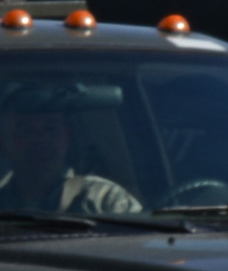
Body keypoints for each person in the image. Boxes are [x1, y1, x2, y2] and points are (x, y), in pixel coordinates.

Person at [0, 86, 142, 217]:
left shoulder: (105, 200)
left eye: (52, 129)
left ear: (66, 138)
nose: (41, 140)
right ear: (3, 144)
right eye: (25, 131)